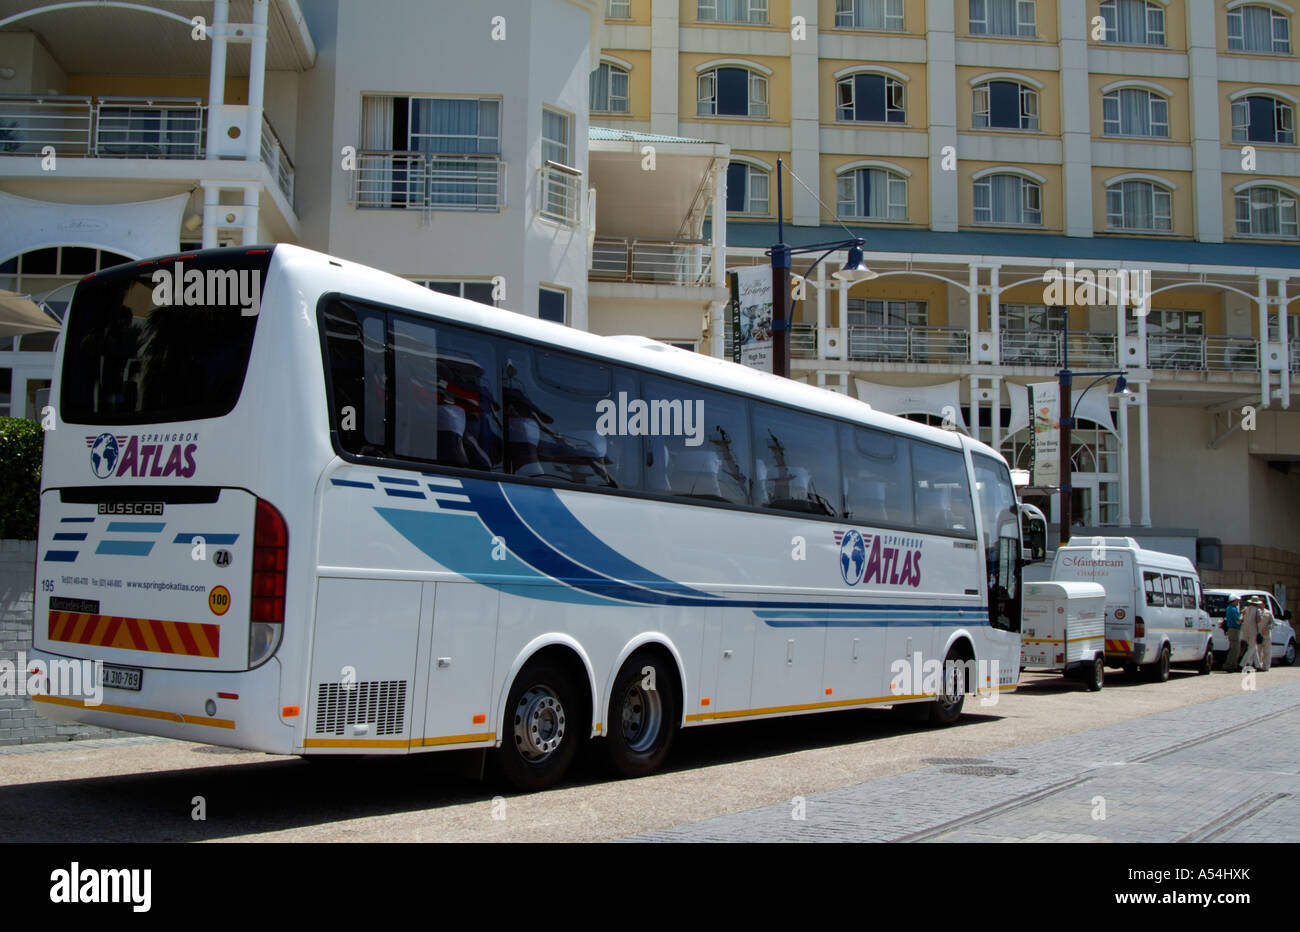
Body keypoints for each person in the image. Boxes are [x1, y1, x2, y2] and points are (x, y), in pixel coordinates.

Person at [1239, 596, 1261, 671]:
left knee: (1253, 647)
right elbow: (1259, 621)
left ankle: (1258, 665)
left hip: (1245, 630)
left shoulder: (1245, 609)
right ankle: (1242, 664)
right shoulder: (1257, 610)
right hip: (1253, 631)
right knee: (1251, 648)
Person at [1223, 594, 1243, 672]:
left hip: (1231, 630)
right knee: (1235, 649)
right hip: (1234, 630)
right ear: (1234, 601)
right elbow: (1238, 621)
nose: (1238, 602)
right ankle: (1230, 665)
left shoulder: (1229, 608)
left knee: (1233, 648)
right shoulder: (1233, 609)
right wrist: (1242, 614)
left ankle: (1230, 665)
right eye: (1237, 601)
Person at [1256, 597, 1275, 672]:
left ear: (1264, 604)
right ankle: (1258, 666)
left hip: (1266, 635)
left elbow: (1273, 623)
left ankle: (1266, 666)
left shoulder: (1268, 612)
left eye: (1261, 603)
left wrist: (1267, 628)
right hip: (1258, 635)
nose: (1260, 605)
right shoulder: (1256, 612)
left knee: (1267, 651)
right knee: (1258, 651)